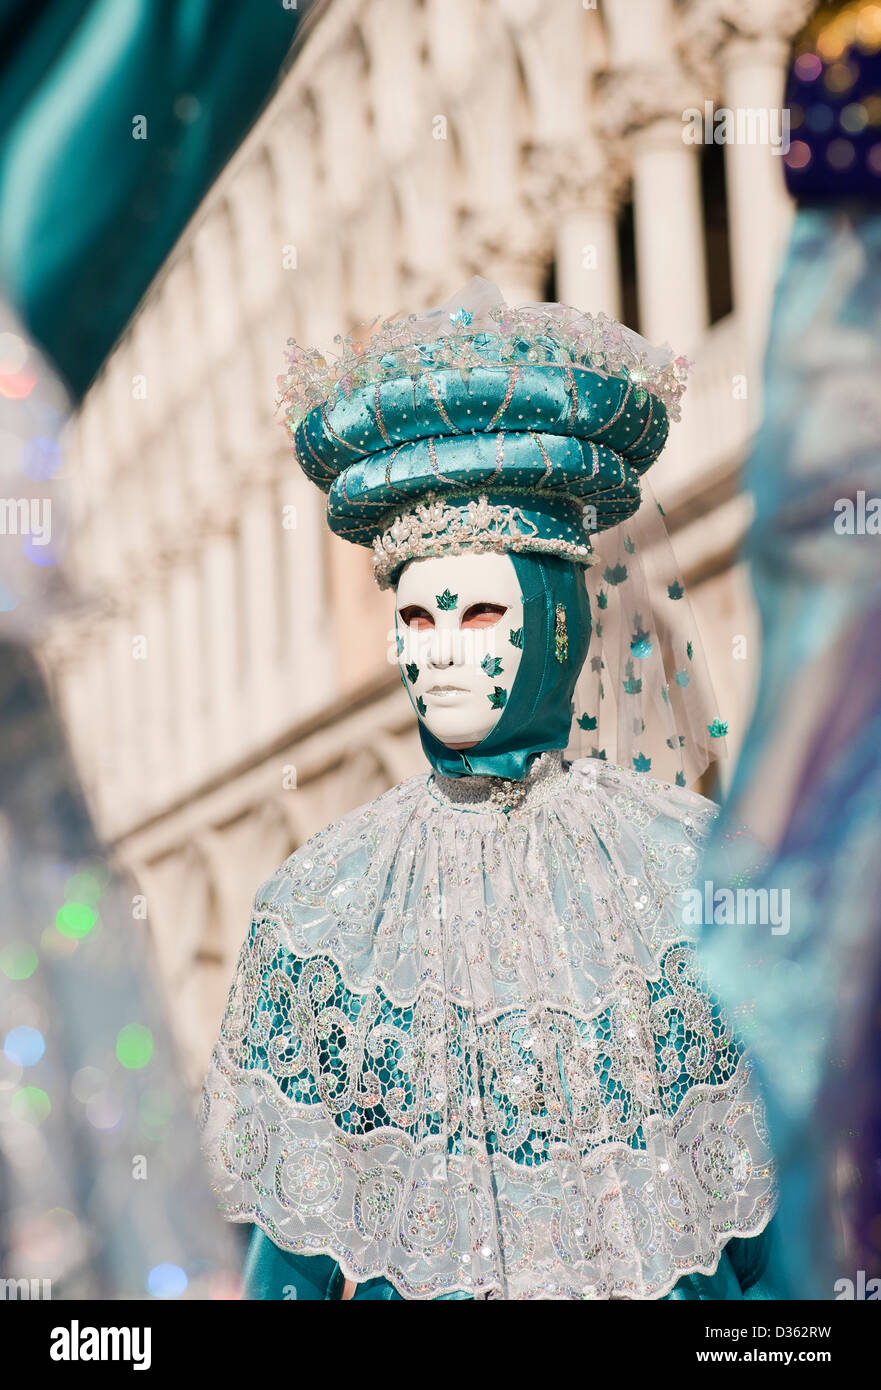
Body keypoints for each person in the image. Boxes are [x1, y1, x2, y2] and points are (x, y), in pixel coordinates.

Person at [199, 279, 776, 1300]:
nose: (440, 655)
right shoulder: (322, 909)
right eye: (417, 620)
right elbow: (291, 1262)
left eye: (476, 616)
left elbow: (773, 1233)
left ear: (556, 621)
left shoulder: (695, 872)